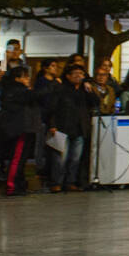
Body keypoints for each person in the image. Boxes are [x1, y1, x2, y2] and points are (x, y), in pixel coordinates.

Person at [45, 62, 100, 192]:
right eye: (75, 74)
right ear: (68, 76)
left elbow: (96, 102)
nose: (78, 76)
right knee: (60, 159)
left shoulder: (84, 90)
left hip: (79, 128)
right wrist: (52, 125)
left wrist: (90, 89)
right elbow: (51, 108)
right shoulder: (60, 89)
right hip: (62, 127)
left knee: (75, 158)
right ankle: (56, 183)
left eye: (81, 74)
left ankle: (70, 181)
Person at [0, 64, 41, 196]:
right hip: (18, 129)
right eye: (25, 77)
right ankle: (12, 186)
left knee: (21, 158)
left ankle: (19, 184)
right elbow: (35, 96)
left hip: (22, 129)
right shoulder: (17, 91)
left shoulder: (12, 91)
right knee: (17, 157)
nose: (28, 79)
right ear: (17, 79)